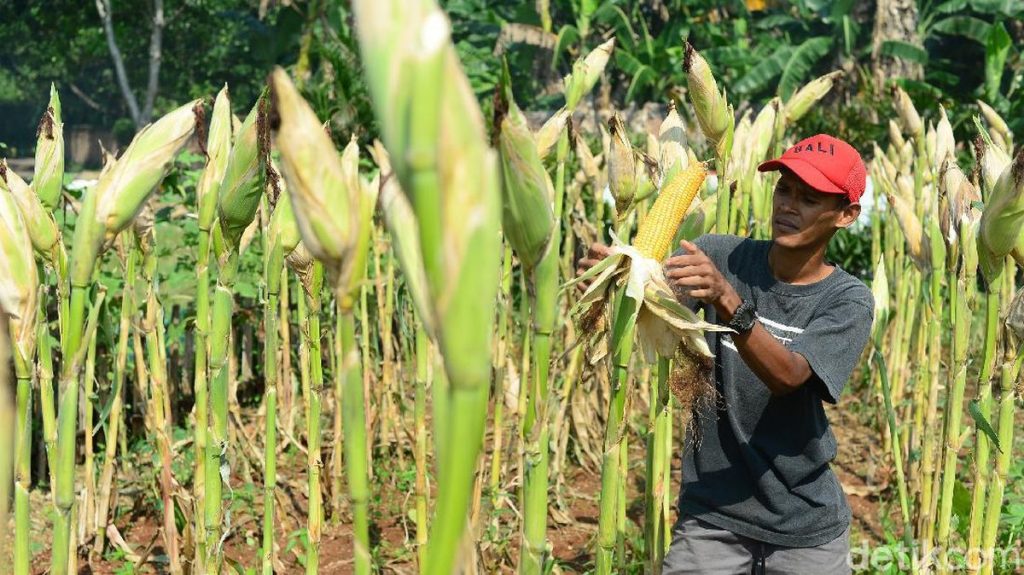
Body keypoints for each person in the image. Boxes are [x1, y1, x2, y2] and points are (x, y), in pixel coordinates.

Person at [576, 134, 874, 574]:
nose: (789, 206)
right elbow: (652, 301)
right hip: (712, 514)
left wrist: (729, 301)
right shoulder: (721, 255)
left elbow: (789, 377)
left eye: (809, 198)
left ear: (846, 215)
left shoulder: (847, 299)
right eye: (784, 190)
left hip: (802, 520)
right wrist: (614, 281)